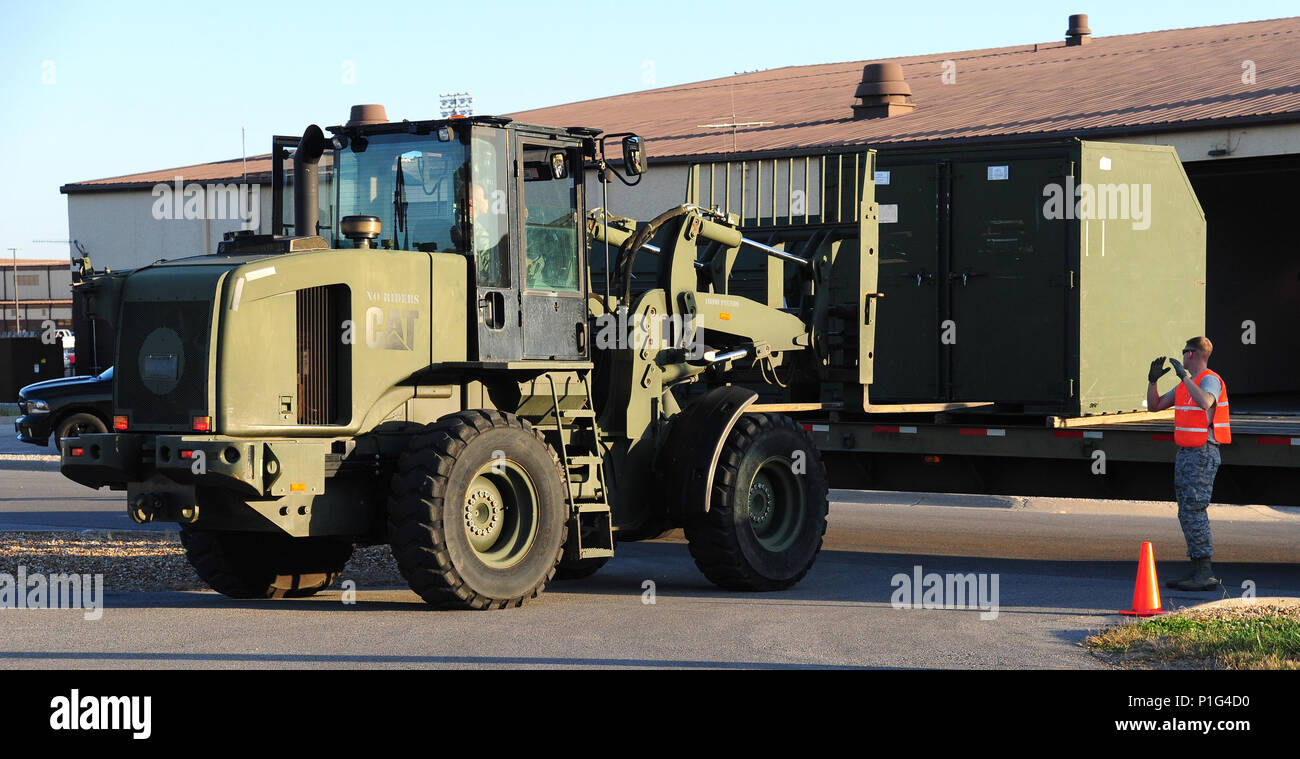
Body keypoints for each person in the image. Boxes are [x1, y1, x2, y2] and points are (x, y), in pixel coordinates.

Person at [1146, 336, 1231, 591]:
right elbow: (1154, 406)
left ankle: (1204, 572)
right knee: (1187, 511)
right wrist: (1152, 381)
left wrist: (1183, 377)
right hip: (1187, 453)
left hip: (1203, 452)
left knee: (1194, 510)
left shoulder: (1209, 379)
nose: (1182, 355)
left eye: (1184, 351)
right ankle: (1198, 569)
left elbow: (1206, 401)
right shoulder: (1187, 385)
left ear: (1192, 354)